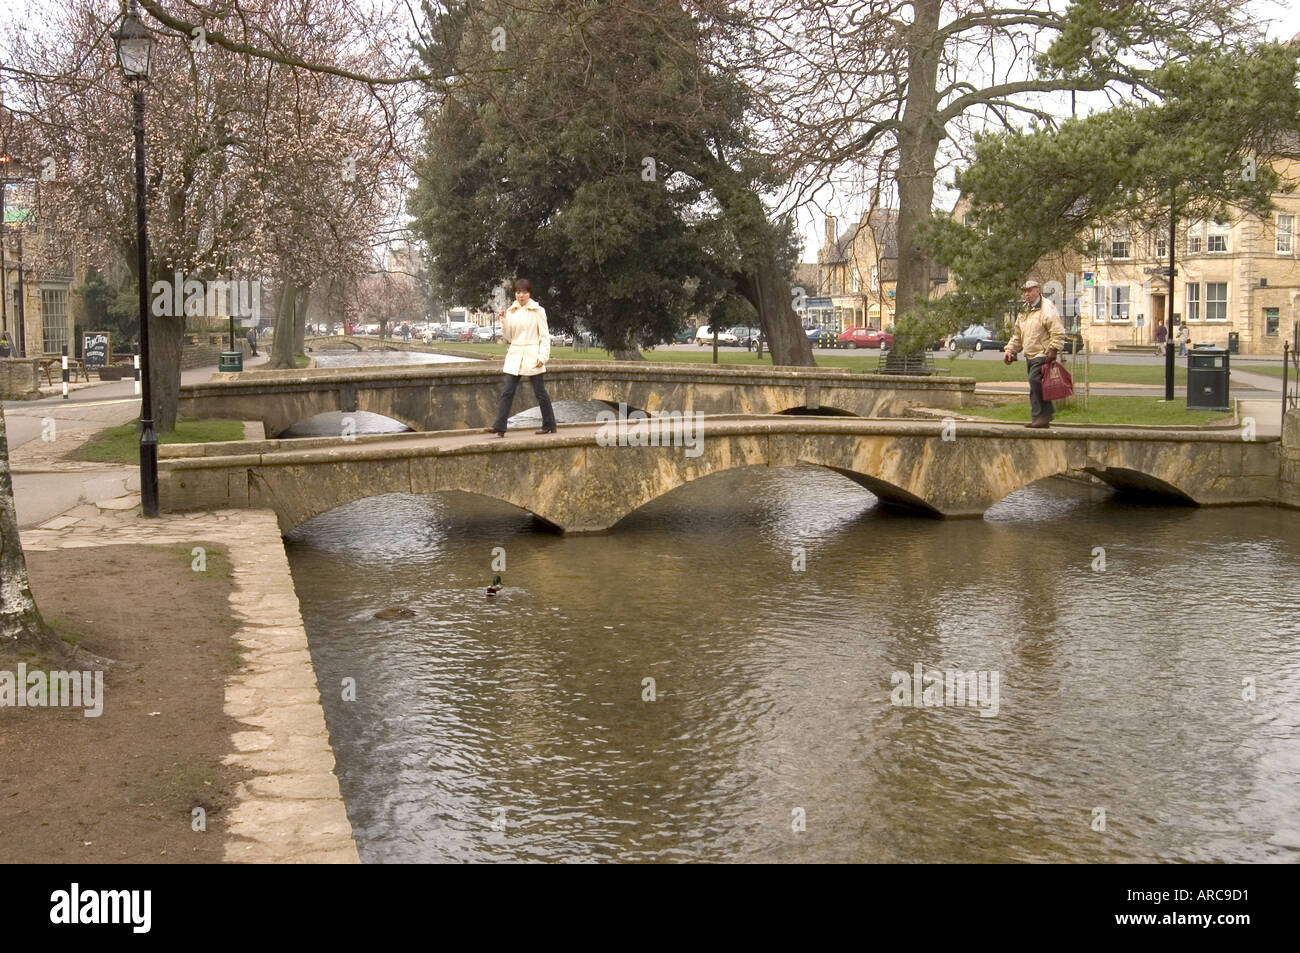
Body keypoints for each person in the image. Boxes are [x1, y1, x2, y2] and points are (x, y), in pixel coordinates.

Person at [485, 278, 558, 436]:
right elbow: (509, 336)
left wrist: (543, 356)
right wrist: (503, 320)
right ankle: (499, 426)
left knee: (540, 392)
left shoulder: (538, 311)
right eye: (518, 292)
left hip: (532, 354)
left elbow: (544, 337)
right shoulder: (511, 311)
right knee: (507, 391)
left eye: (524, 292)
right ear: (515, 294)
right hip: (515, 354)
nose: (521, 295)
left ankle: (549, 424)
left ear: (529, 293)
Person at [1003, 279, 1066, 429]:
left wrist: (1053, 349)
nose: (1027, 294)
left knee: (1035, 382)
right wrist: (1010, 350)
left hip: (1042, 353)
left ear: (1038, 290)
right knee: (1035, 386)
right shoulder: (1024, 311)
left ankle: (1044, 415)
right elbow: (1018, 335)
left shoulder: (1047, 308)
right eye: (1025, 291)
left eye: (1030, 290)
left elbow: (1057, 331)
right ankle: (1039, 417)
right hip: (1030, 354)